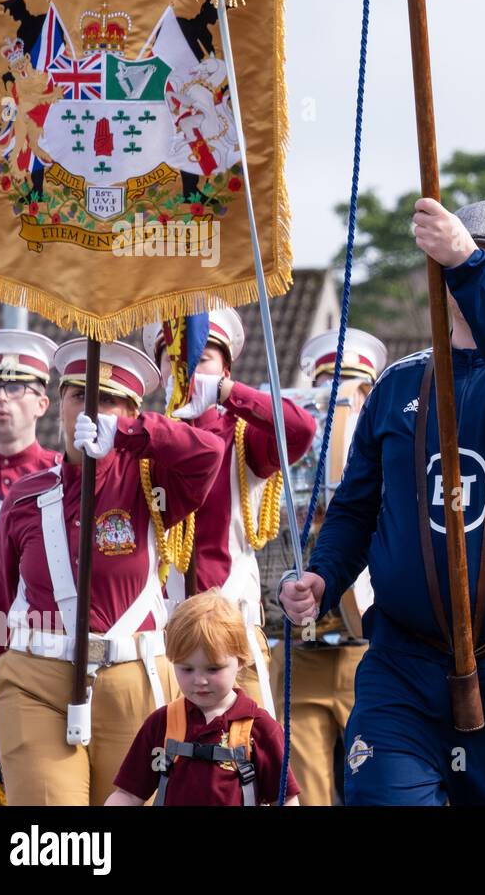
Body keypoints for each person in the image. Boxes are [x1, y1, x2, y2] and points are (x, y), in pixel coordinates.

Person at [281, 198, 485, 805]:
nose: (480, 272)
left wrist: (466, 264)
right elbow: (357, 508)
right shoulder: (397, 383)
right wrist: (322, 576)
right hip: (403, 664)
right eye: (468, 260)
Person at [0, 339, 224, 806]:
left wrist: (130, 433)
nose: (91, 409)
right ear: (60, 403)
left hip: (131, 680)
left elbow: (209, 453)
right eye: (80, 395)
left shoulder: (152, 483)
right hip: (36, 679)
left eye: (108, 400)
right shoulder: (25, 496)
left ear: (131, 411)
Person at [142, 307, 316, 717]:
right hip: (163, 636)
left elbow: (301, 430)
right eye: (174, 362)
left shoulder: (243, 437)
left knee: (250, 750)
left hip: (234, 628)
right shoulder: (144, 442)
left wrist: (227, 394)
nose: (187, 372)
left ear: (224, 369)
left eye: (201, 360)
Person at [267, 327, 385, 805]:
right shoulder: (286, 454)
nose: (339, 409)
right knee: (305, 793)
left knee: (381, 787)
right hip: (302, 649)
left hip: (370, 651)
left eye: (355, 394)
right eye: (327, 395)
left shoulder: (392, 453)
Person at [0, 329, 61, 806]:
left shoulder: (66, 479)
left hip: (43, 650)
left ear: (42, 403)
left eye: (16, 386)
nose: (2, 398)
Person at [108, 591, 300, 806]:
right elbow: (128, 795)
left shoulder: (260, 729)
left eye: (213, 669)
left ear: (241, 660)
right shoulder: (162, 724)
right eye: (187, 669)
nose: (199, 680)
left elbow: (285, 799)